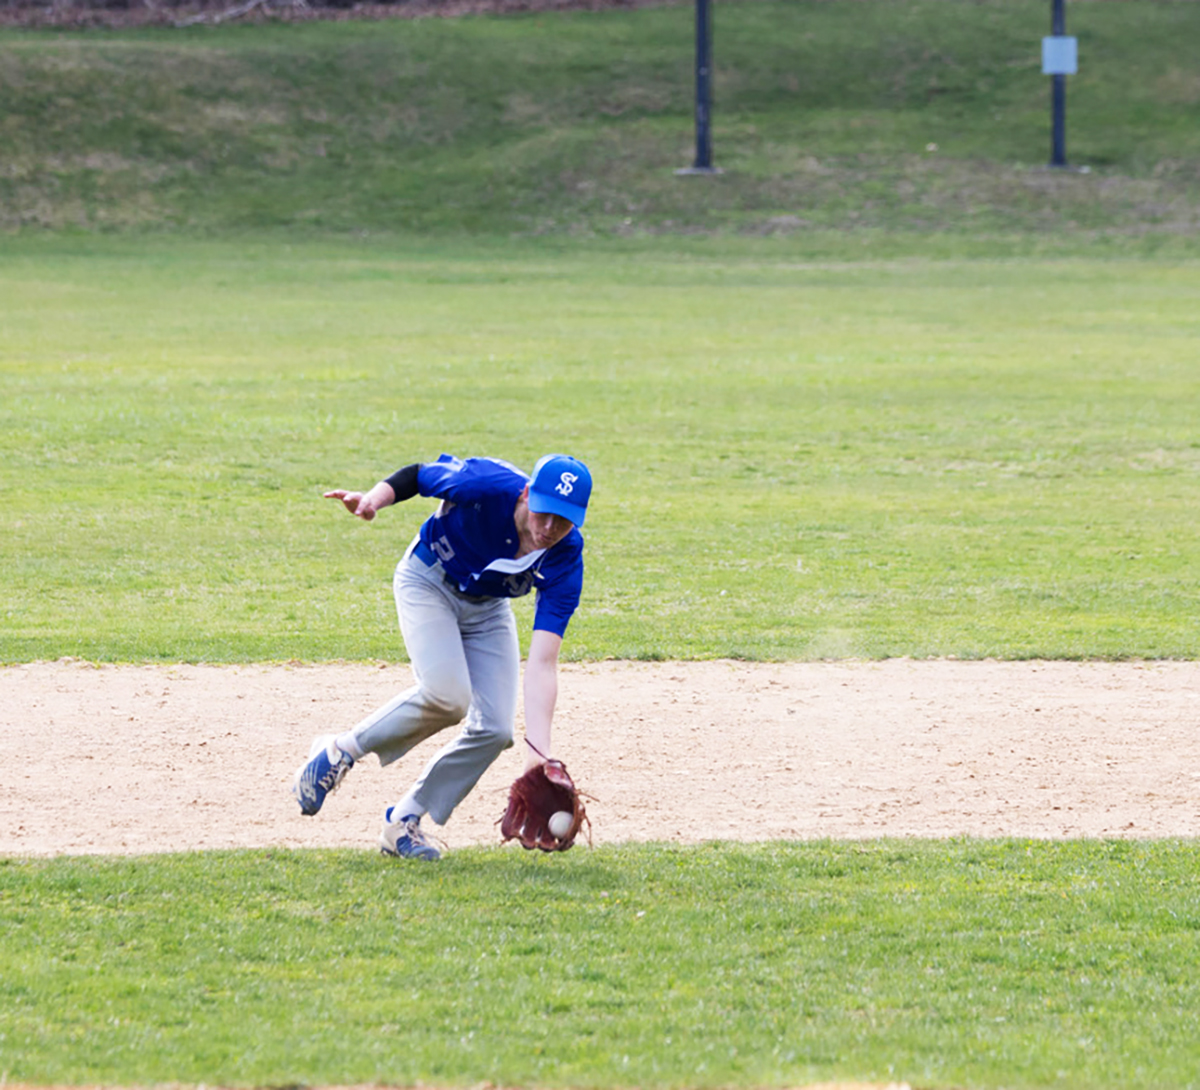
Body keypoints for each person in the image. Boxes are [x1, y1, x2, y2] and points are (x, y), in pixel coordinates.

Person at [291, 452, 592, 861]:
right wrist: (374, 498)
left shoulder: (565, 555)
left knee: (495, 730)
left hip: (487, 608)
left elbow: (542, 663)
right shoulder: (486, 485)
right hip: (428, 579)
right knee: (448, 696)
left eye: (564, 520)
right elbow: (418, 475)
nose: (550, 528)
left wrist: (536, 759)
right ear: (526, 495)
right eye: (544, 514)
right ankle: (340, 751)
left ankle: (403, 822)